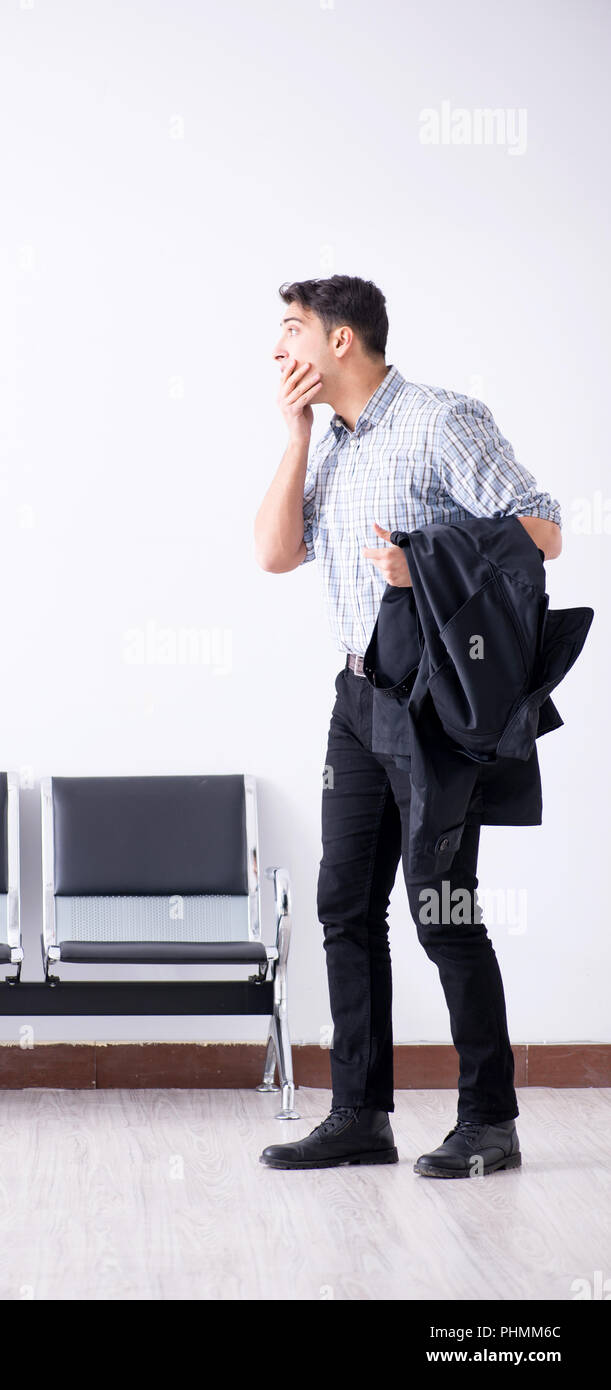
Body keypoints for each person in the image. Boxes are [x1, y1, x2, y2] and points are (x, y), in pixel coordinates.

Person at [253, 275, 561, 1177]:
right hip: (356, 702)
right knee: (343, 909)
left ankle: (488, 1122)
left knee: (443, 912)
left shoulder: (439, 420)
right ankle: (359, 1115)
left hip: (434, 709)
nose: (278, 352)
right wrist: (295, 438)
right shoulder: (335, 445)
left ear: (340, 340)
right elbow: (274, 554)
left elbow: (541, 531)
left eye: (290, 331)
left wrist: (418, 562)